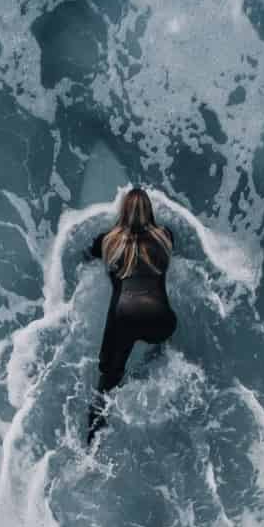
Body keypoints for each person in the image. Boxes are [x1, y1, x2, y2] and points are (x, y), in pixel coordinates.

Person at [80, 187, 177, 442]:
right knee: (160, 343)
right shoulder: (165, 237)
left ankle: (92, 442)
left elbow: (86, 256)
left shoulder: (108, 240)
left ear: (122, 211)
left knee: (108, 379)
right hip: (161, 320)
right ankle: (151, 362)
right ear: (150, 211)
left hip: (124, 317)